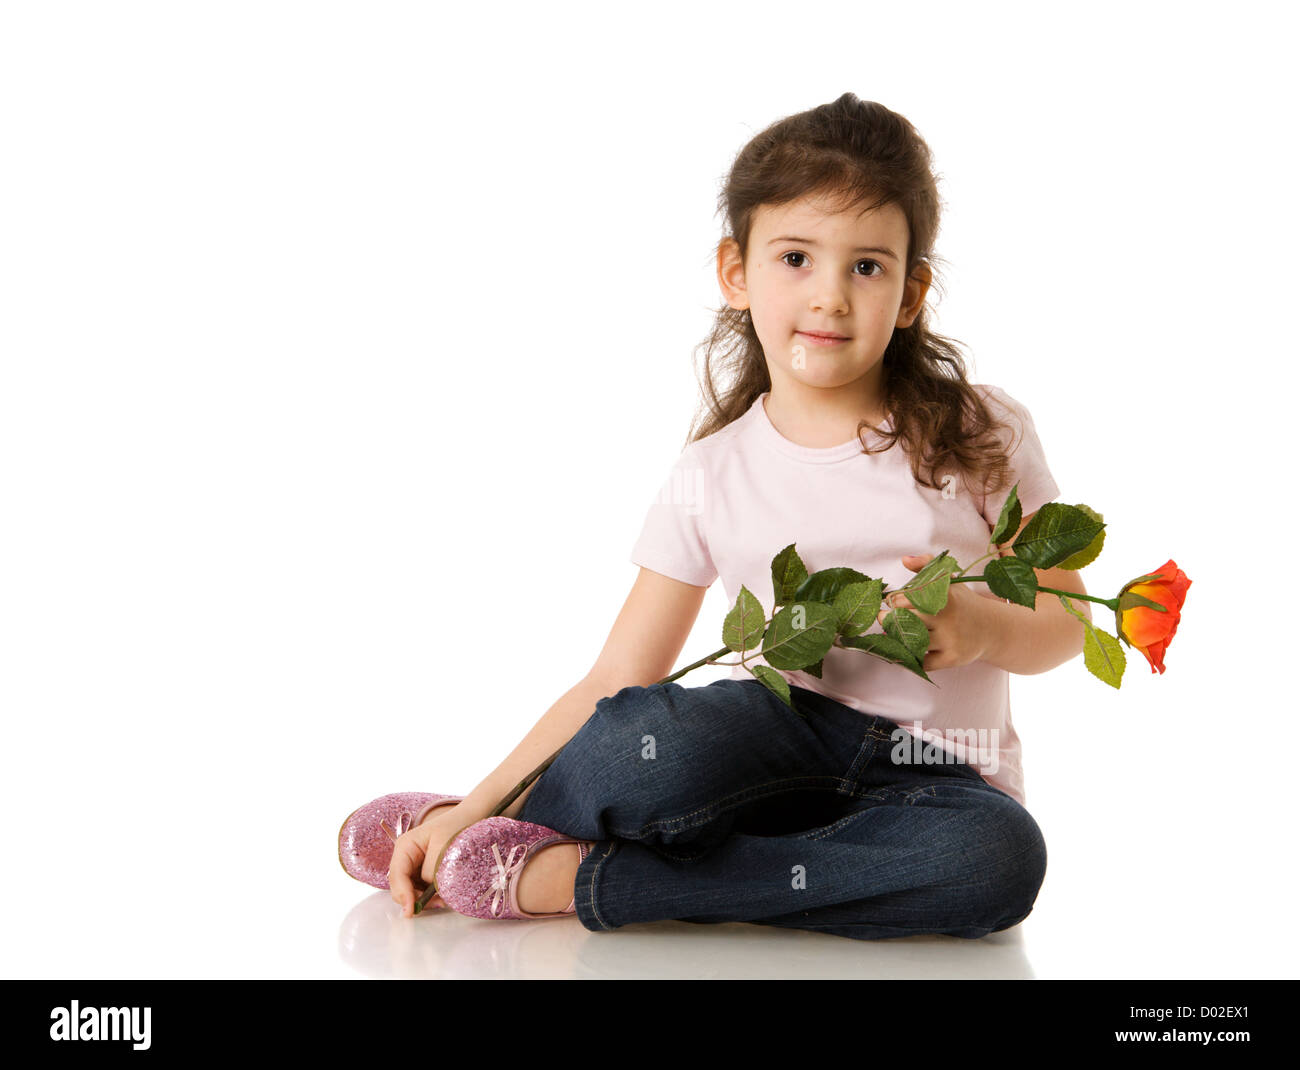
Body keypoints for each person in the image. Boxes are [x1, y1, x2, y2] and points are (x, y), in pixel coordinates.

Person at [338, 93, 1089, 940]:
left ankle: (582, 879)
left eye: (868, 267)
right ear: (738, 272)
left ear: (912, 292)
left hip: (937, 783)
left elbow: (1067, 617)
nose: (832, 297)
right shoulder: (713, 471)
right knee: (651, 748)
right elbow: (616, 677)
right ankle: (480, 832)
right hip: (770, 754)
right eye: (796, 257)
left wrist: (983, 628)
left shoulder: (980, 433)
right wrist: (475, 802)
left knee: (997, 862)